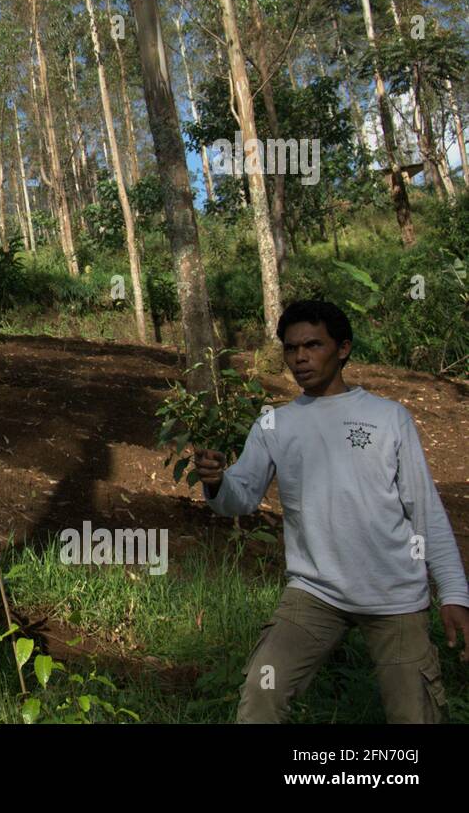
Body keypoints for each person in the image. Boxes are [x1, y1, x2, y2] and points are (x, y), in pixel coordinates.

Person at [194, 299, 469, 723]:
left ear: (342, 349)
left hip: (395, 596)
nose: (300, 357)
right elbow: (241, 496)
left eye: (312, 345)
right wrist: (216, 482)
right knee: (261, 691)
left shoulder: (389, 417)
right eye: (290, 348)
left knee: (415, 714)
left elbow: (425, 511)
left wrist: (453, 593)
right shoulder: (275, 424)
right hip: (315, 593)